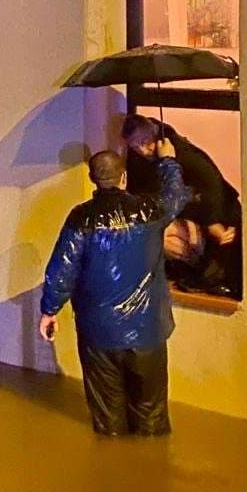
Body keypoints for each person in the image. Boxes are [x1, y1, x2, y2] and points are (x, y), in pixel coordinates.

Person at [38, 141, 191, 436]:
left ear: (93, 179)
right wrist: (168, 161)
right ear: (123, 177)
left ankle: (111, 473)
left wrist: (49, 309)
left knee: (108, 420)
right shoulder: (150, 210)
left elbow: (62, 268)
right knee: (151, 417)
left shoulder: (80, 217)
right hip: (147, 332)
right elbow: (175, 196)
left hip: (99, 334)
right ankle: (150, 473)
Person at [122, 114, 241, 298]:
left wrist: (212, 223)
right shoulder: (140, 162)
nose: (142, 150)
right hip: (184, 217)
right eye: (135, 146)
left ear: (156, 135)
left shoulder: (185, 155)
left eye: (145, 142)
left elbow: (212, 187)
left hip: (215, 219)